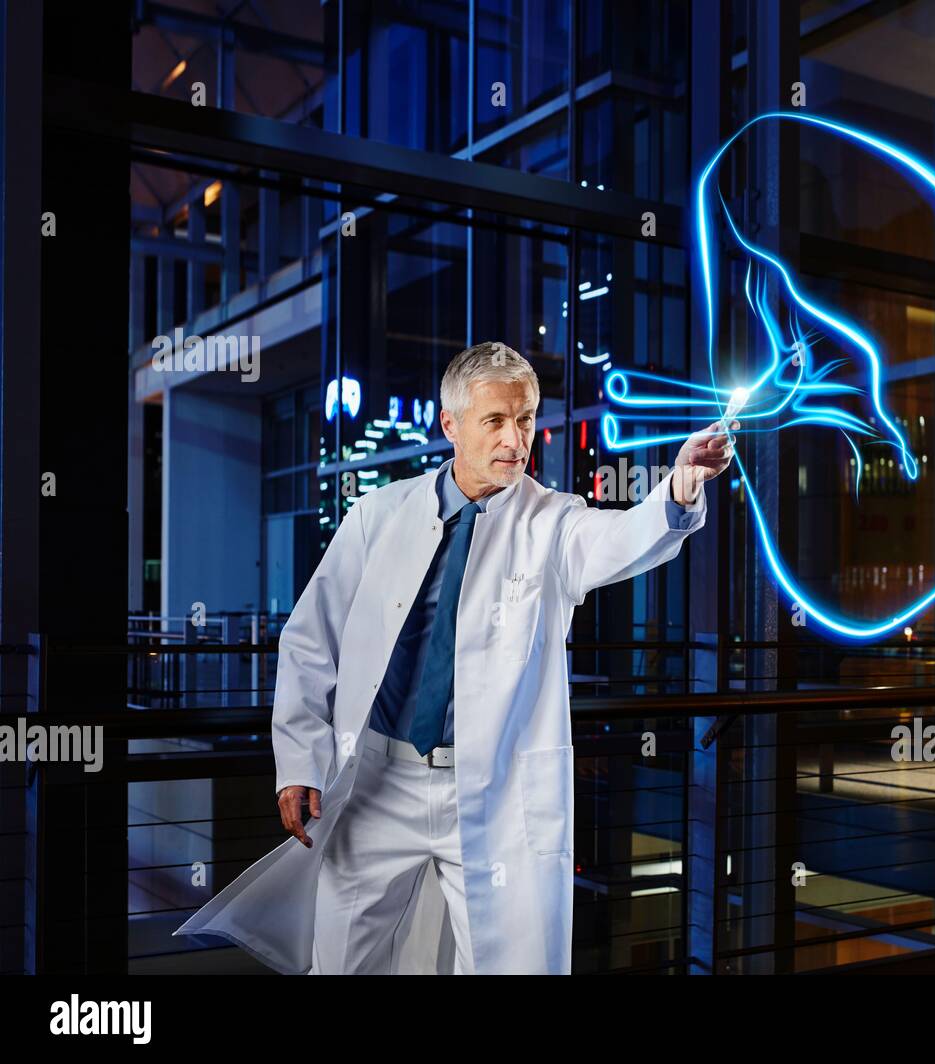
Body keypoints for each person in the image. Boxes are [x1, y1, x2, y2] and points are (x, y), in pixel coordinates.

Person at [174, 341, 735, 973]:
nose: (515, 439)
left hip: (493, 790)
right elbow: (311, 640)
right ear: (450, 427)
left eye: (524, 419)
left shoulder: (554, 522)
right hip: (377, 786)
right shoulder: (377, 516)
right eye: (494, 421)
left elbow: (625, 538)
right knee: (342, 961)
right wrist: (300, 760)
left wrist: (680, 487)